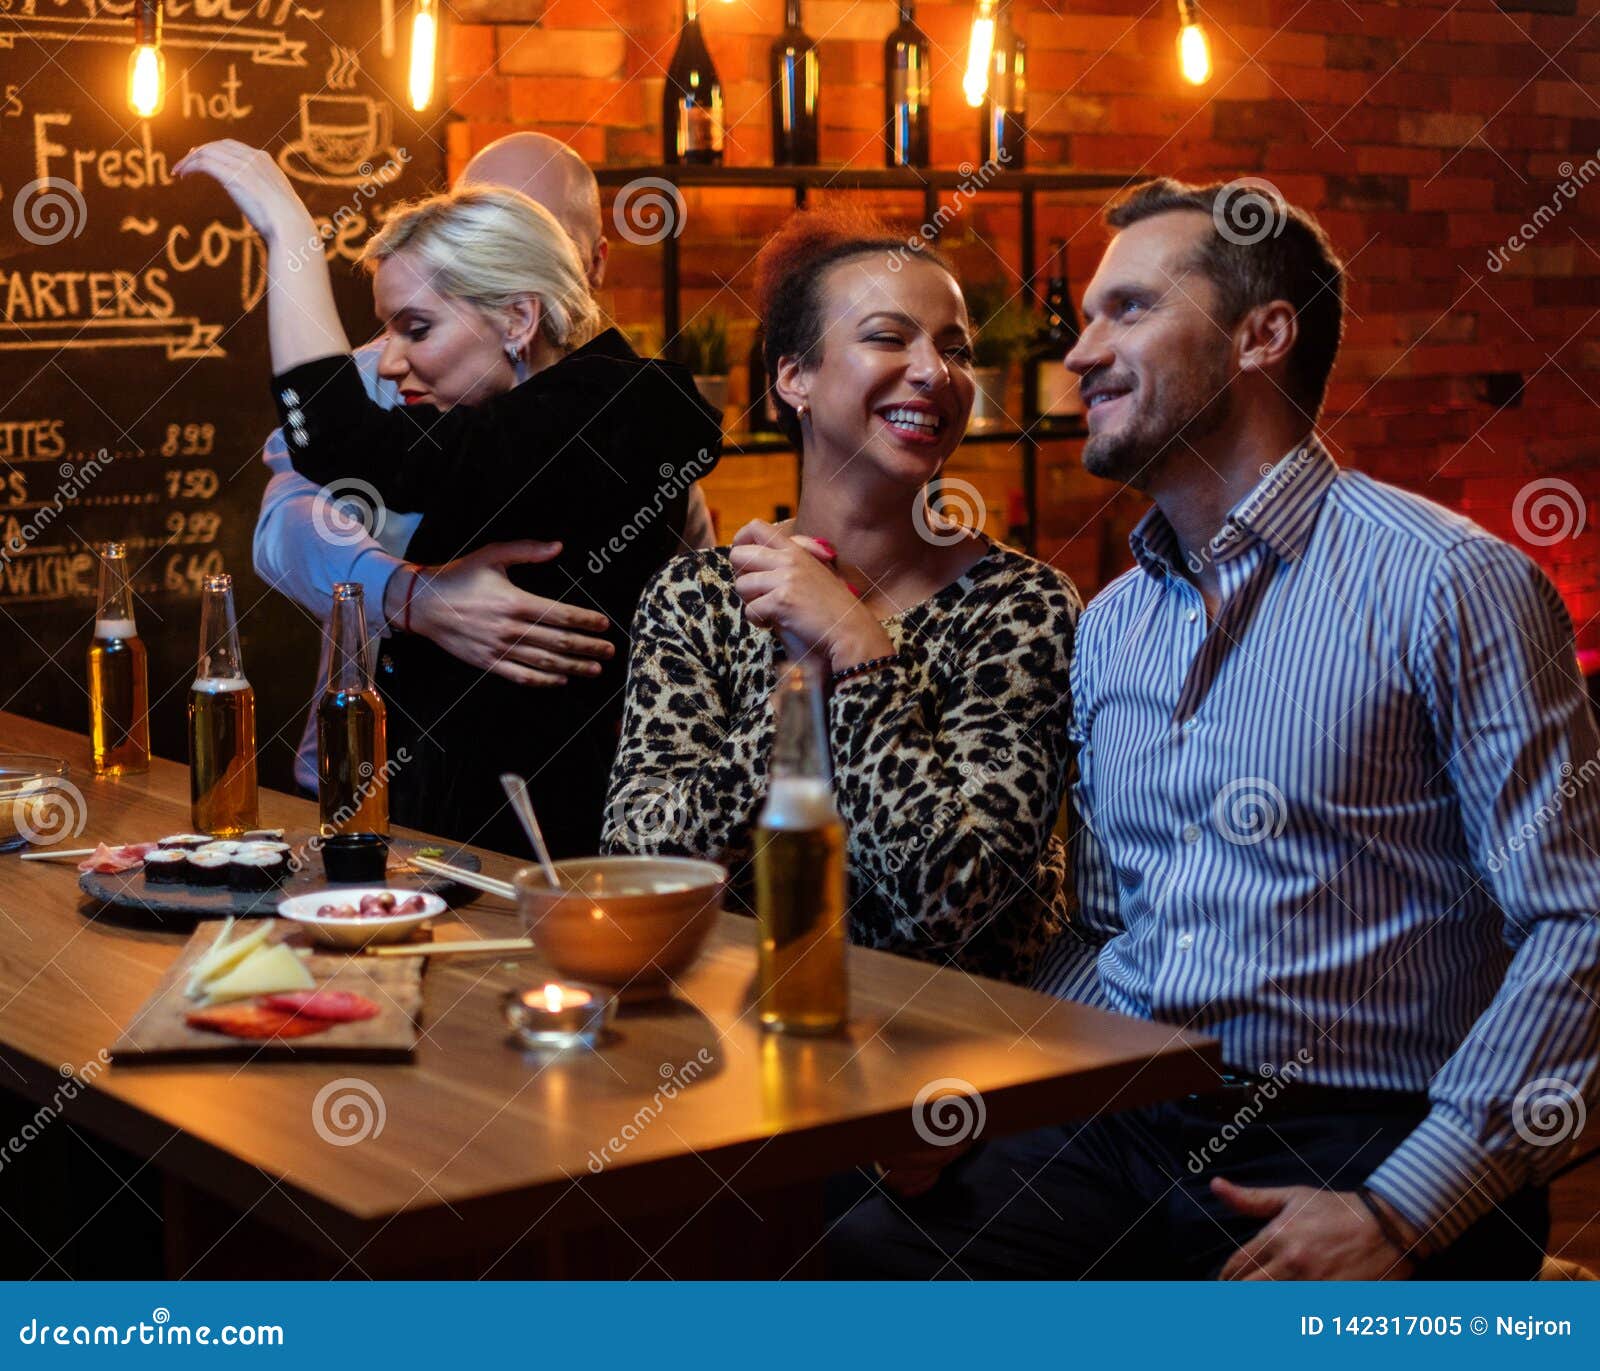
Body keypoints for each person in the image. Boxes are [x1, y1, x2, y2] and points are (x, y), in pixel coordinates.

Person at [829, 177, 1600, 1279]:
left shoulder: (1451, 585)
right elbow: (1101, 936)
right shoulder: (1110, 628)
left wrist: (1399, 1213)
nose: (1080, 353)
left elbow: (1579, 928)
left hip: (1367, 1132)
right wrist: (986, 1096)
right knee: (871, 1264)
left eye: (1128, 310)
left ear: (1261, 336)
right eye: (1086, 316)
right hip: (1137, 1115)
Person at [177, 140, 722, 856]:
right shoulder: (448, 388)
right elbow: (286, 520)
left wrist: (292, 233)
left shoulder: (622, 408)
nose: (391, 355)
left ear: (525, 308)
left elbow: (343, 441)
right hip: (386, 807)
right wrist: (412, 595)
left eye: (417, 327)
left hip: (538, 850)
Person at [601, 210, 1080, 983]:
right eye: (889, 338)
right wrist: (799, 693)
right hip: (719, 1048)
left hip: (952, 1062)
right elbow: (639, 868)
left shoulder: (1021, 607)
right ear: (793, 376)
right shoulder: (698, 595)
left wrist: (856, 648)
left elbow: (958, 907)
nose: (936, 371)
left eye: (956, 348)